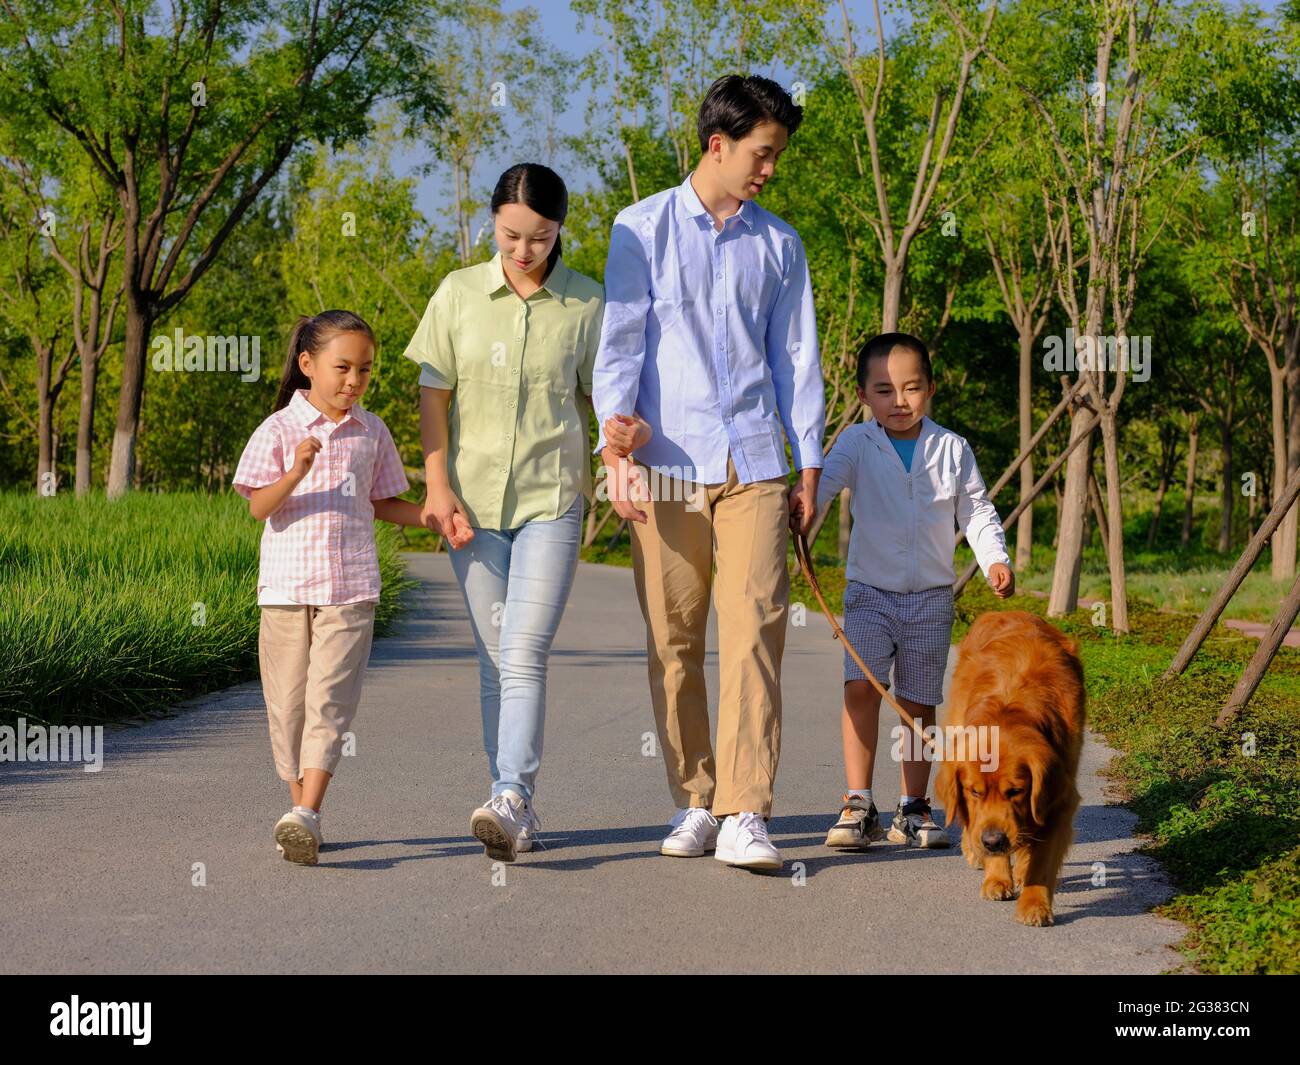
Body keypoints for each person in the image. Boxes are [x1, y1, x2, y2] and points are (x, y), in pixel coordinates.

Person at [594, 75, 825, 872]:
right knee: (674, 639)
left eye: (777, 156)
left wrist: (811, 462)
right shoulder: (642, 228)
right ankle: (696, 796)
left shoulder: (780, 244)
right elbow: (620, 344)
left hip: (756, 461)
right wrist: (613, 448)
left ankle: (746, 810)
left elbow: (798, 359)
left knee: (756, 625)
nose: (770, 170)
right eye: (763, 154)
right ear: (718, 144)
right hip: (663, 464)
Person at [403, 163, 609, 863]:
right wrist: (437, 486)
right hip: (471, 502)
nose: (525, 250)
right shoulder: (458, 293)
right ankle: (510, 798)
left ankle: (512, 793)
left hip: (552, 498)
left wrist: (626, 455)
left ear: (560, 232)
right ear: (491, 221)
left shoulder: (586, 303)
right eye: (511, 235)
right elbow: (434, 395)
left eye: (541, 238)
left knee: (523, 651)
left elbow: (604, 402)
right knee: (495, 657)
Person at [232, 310, 425, 865]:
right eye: (343, 368)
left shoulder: (372, 431)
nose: (354, 381)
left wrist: (434, 518)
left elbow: (383, 502)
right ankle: (303, 816)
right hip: (287, 591)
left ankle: (307, 812)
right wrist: (294, 472)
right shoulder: (278, 429)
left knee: (330, 703)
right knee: (288, 708)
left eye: (365, 370)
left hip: (351, 587)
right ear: (307, 365)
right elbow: (257, 507)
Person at [815, 332, 1014, 853]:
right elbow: (822, 485)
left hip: (929, 597)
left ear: (930, 388)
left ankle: (914, 806)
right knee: (860, 687)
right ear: (862, 395)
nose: (898, 402)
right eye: (883, 390)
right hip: (869, 592)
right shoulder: (857, 443)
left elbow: (976, 510)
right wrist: (800, 509)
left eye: (911, 388)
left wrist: (994, 559)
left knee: (918, 702)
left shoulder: (952, 448)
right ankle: (858, 802)